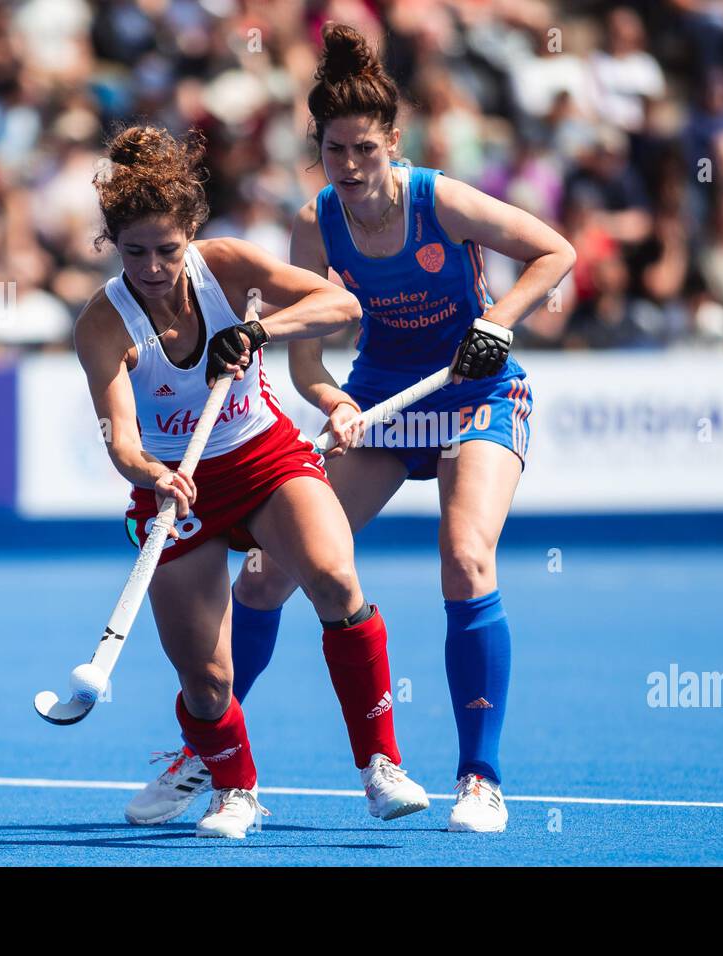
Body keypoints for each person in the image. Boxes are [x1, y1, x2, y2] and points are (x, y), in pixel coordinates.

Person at [127, 23, 576, 833]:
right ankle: (205, 755)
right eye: (336, 151)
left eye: (366, 149)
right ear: (319, 150)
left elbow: (554, 251)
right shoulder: (316, 223)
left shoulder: (442, 199)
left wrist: (500, 322)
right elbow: (306, 362)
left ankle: (480, 780)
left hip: (477, 393)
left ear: (392, 144)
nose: (353, 166)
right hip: (380, 403)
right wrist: (332, 401)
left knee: (466, 557)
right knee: (266, 575)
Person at [79, 123, 428, 839]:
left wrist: (258, 333)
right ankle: (235, 788)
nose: (152, 268)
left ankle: (381, 766)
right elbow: (120, 438)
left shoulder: (227, 266)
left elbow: (343, 306)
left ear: (192, 235)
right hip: (172, 482)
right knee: (207, 682)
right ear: (114, 245)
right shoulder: (101, 324)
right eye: (134, 252)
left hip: (263, 456)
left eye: (167, 250)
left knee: (334, 578)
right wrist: (154, 474)